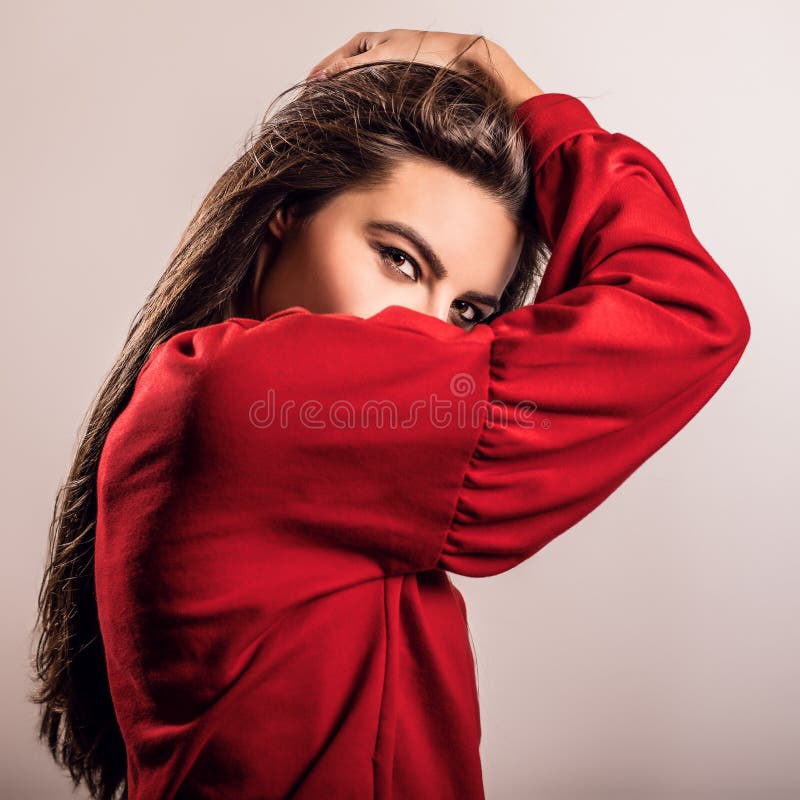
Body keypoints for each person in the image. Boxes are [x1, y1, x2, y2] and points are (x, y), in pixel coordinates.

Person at [30, 29, 750, 800]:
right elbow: (680, 312)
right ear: (288, 212)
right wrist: (511, 84)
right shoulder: (247, 393)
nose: (432, 333)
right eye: (399, 260)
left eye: (469, 310)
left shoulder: (196, 398)